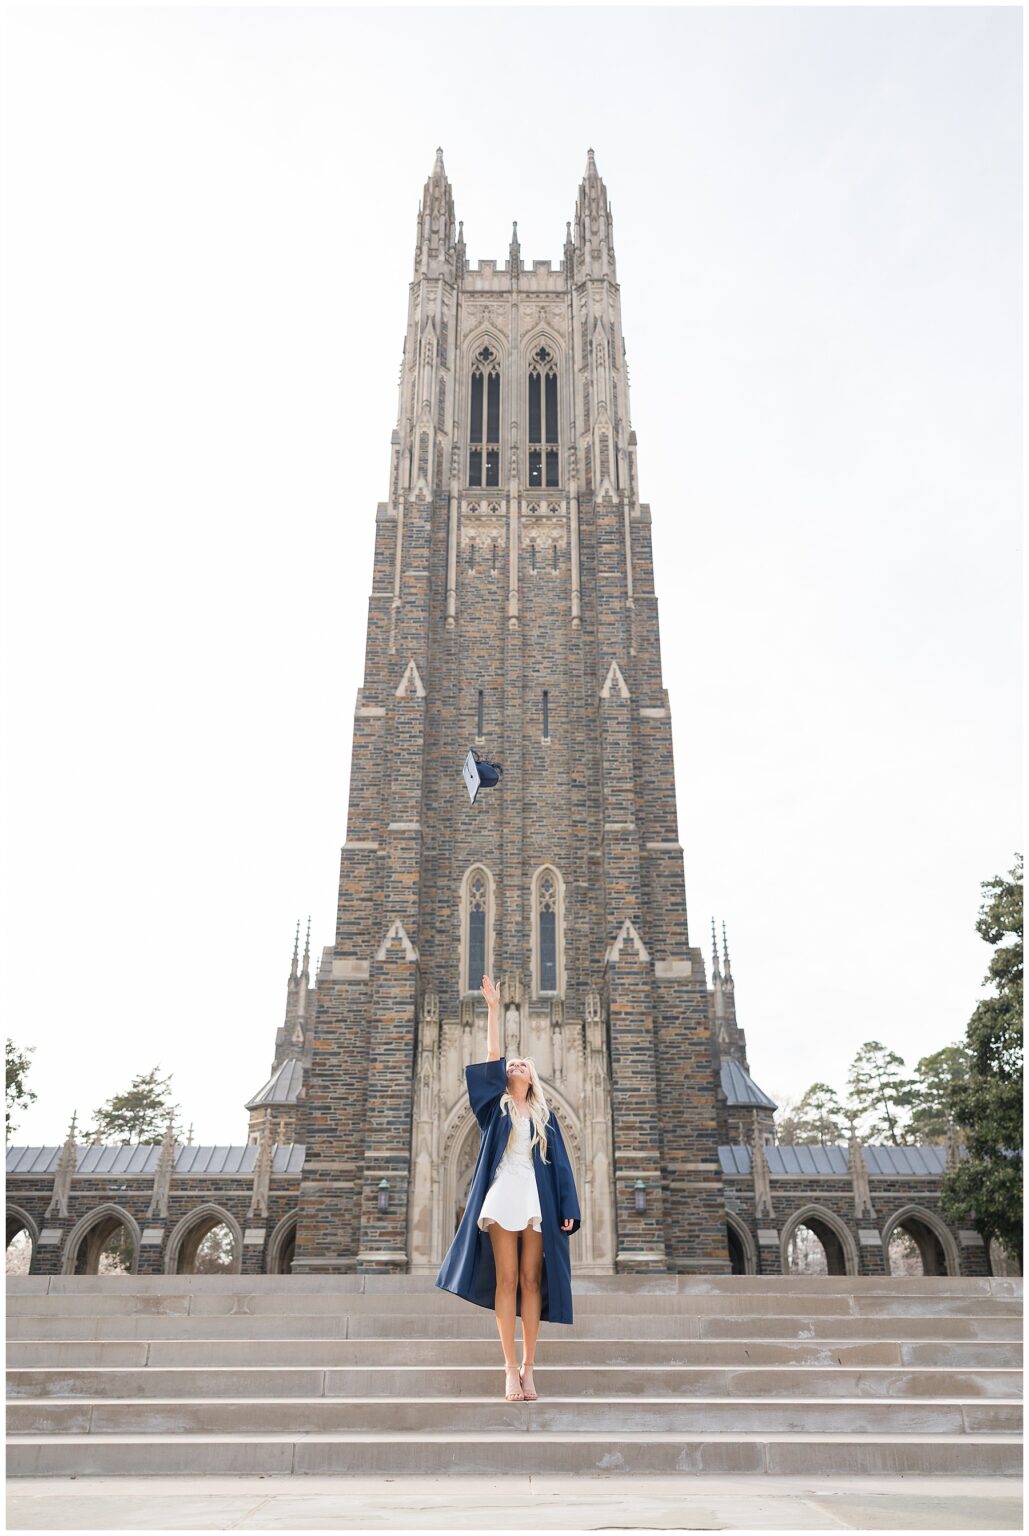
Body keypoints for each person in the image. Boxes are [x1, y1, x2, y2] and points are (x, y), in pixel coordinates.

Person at [435, 974, 581, 1402]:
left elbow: (562, 1166)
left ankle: (529, 1368)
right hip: (502, 1196)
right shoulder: (494, 1110)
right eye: (511, 1066)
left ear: (532, 1078)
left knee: (533, 1282)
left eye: (522, 1066)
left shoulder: (544, 1117)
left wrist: (568, 1204)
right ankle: (507, 1368)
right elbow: (493, 1055)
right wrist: (494, 1010)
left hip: (536, 1199)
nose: (514, 1067)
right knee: (507, 1280)